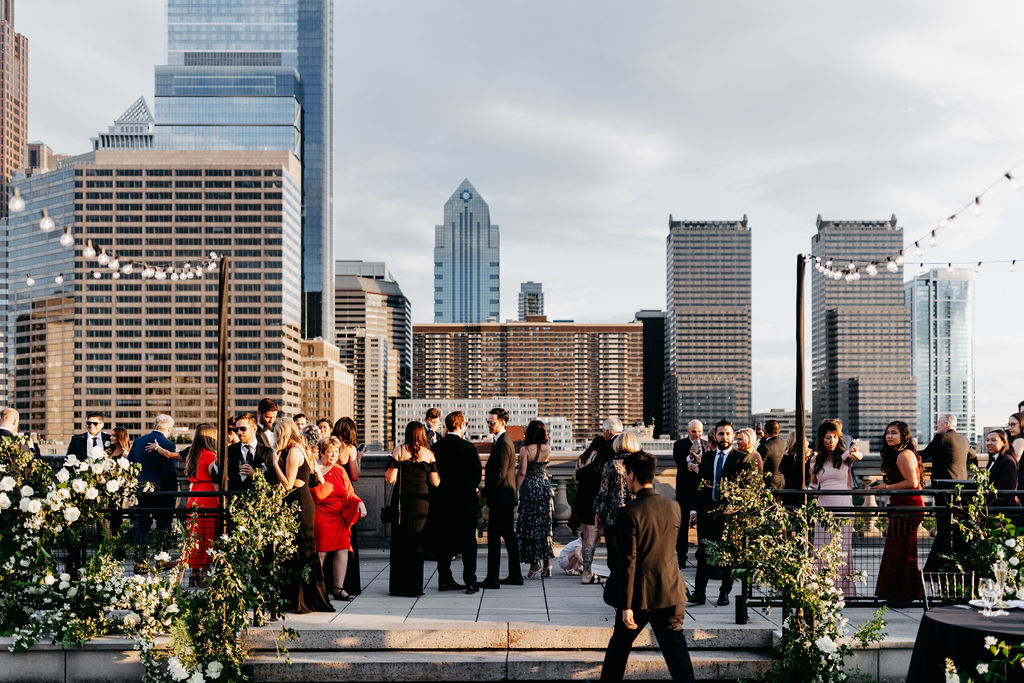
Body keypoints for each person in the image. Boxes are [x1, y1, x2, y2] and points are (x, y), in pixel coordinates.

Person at [600, 451, 695, 682]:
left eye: (626, 475)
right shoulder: (674, 507)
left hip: (640, 595)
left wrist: (626, 605)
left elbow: (629, 562)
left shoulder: (629, 512)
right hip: (671, 590)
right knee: (677, 655)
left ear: (631, 475)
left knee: (619, 649)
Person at [269, 418, 333, 613]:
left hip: (299, 503)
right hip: (299, 502)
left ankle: (305, 600)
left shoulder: (294, 451)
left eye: (277, 433)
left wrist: (275, 464)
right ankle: (307, 598)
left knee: (301, 551)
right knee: (301, 551)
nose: (275, 437)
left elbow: (288, 484)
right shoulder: (300, 448)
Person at [689, 420, 751, 606]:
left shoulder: (741, 458)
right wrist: (694, 509)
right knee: (703, 554)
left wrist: (736, 505)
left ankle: (724, 593)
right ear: (715, 436)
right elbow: (700, 486)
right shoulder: (707, 458)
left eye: (727, 434)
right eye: (721, 434)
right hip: (708, 512)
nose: (724, 437)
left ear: (732, 436)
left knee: (728, 555)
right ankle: (699, 593)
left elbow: (746, 487)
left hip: (729, 514)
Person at [385, 421, 440, 597]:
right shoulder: (429, 454)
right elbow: (435, 482)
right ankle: (414, 587)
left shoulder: (399, 451)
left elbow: (390, 478)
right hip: (421, 503)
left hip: (401, 503)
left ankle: (398, 586)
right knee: (417, 544)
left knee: (400, 543)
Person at [872, 421, 925, 602]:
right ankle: (901, 594)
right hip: (902, 507)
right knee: (899, 550)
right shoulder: (900, 454)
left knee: (901, 551)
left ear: (904, 435)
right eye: (887, 433)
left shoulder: (904, 455)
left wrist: (887, 487)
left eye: (894, 433)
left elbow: (912, 483)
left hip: (908, 508)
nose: (889, 436)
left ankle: (901, 595)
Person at [431, 410, 483, 593]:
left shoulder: (436, 448)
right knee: (469, 541)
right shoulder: (469, 448)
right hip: (465, 500)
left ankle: (444, 580)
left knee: (443, 540)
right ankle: (470, 582)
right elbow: (477, 475)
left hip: (443, 500)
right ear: (461, 425)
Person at [809, 419, 861, 597]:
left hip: (844, 507)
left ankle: (841, 591)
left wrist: (855, 452)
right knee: (822, 549)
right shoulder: (816, 459)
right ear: (821, 440)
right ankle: (822, 589)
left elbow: (858, 456)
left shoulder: (844, 456)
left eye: (834, 437)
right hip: (823, 507)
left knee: (842, 549)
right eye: (827, 438)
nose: (831, 441)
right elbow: (813, 486)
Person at [311, 436, 366, 602]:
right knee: (320, 553)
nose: (334, 455)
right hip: (319, 515)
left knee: (342, 550)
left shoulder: (340, 470)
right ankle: (316, 591)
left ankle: (338, 588)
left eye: (336, 452)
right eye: (330, 452)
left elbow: (349, 493)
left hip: (338, 517)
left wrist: (360, 503)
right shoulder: (313, 469)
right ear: (321, 452)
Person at [919, 413, 975, 572]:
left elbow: (923, 455)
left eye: (938, 424)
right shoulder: (964, 440)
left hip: (943, 489)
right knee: (956, 527)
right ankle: (954, 564)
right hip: (961, 490)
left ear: (946, 425)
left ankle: (935, 567)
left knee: (944, 527)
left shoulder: (941, 438)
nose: (937, 427)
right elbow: (973, 456)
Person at [575, 418, 622, 585]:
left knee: (589, 538)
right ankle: (588, 573)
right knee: (599, 537)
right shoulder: (610, 449)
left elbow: (579, 478)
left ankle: (586, 571)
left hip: (583, 498)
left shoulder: (585, 456)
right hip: (598, 499)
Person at [482, 407, 523, 589]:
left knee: (494, 540)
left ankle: (493, 579)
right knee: (509, 537)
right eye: (488, 422)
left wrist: (483, 493)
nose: (490, 425)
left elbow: (498, 474)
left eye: (493, 422)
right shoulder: (502, 440)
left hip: (500, 499)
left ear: (503, 422)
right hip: (504, 498)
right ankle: (515, 575)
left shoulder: (504, 442)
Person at [595, 432, 642, 581]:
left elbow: (603, 494)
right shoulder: (642, 465)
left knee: (615, 558)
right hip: (637, 516)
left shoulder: (609, 465)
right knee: (635, 554)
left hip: (613, 518)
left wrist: (598, 515)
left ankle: (619, 589)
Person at [129, 414, 179, 549]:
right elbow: (169, 472)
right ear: (169, 429)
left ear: (154, 426)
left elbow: (129, 464)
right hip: (162, 492)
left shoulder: (138, 441)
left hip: (140, 491)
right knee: (163, 527)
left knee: (141, 527)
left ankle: (140, 563)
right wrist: (173, 492)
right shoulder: (168, 444)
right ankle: (161, 560)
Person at [516, 420, 554, 580]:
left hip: (530, 488)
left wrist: (516, 489)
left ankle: (534, 565)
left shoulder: (525, 449)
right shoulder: (548, 448)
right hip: (544, 487)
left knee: (530, 527)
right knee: (544, 526)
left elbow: (522, 473)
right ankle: (547, 564)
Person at [331, 416, 363, 595]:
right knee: (348, 539)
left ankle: (330, 581)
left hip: (330, 495)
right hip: (346, 494)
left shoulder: (330, 447)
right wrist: (359, 458)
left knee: (330, 539)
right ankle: (349, 582)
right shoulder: (350, 449)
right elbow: (355, 475)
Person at [184, 424, 218, 587]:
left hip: (194, 495)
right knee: (207, 537)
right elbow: (215, 478)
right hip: (208, 495)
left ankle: (194, 574)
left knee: (194, 536)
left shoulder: (192, 454)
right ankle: (205, 573)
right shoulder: (211, 455)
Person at [672, 420, 706, 568]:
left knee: (702, 524)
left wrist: (701, 459)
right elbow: (679, 462)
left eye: (699, 431)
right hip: (685, 489)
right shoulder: (679, 445)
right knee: (683, 524)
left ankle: (702, 556)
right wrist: (690, 457)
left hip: (701, 489)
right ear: (688, 431)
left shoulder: (706, 444)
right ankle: (681, 557)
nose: (697, 434)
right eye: (694, 431)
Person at [219, 413, 277, 492]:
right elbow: (216, 478)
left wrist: (255, 475)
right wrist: (216, 463)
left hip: (259, 500)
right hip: (235, 500)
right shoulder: (229, 451)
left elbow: (273, 480)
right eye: (237, 429)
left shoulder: (268, 452)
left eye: (243, 429)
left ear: (254, 429)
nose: (239, 432)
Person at [985, 429, 1019, 508]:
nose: (989, 443)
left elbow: (1008, 492)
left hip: (1005, 511)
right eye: (987, 440)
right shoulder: (993, 459)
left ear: (1004, 443)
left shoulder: (1007, 462)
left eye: (993, 440)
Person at [757, 420, 790, 491]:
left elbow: (759, 467)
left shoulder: (764, 447)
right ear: (779, 431)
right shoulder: (783, 443)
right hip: (781, 482)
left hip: (768, 483)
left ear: (765, 431)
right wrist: (763, 438)